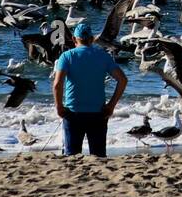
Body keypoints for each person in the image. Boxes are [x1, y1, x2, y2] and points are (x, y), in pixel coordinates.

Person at [52, 22, 127, 156]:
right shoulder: (103, 56)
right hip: (98, 113)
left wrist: (59, 107)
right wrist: (111, 105)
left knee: (72, 157)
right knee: (98, 156)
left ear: (74, 39)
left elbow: (58, 84)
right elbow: (122, 80)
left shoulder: (67, 56)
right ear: (92, 39)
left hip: (73, 113)